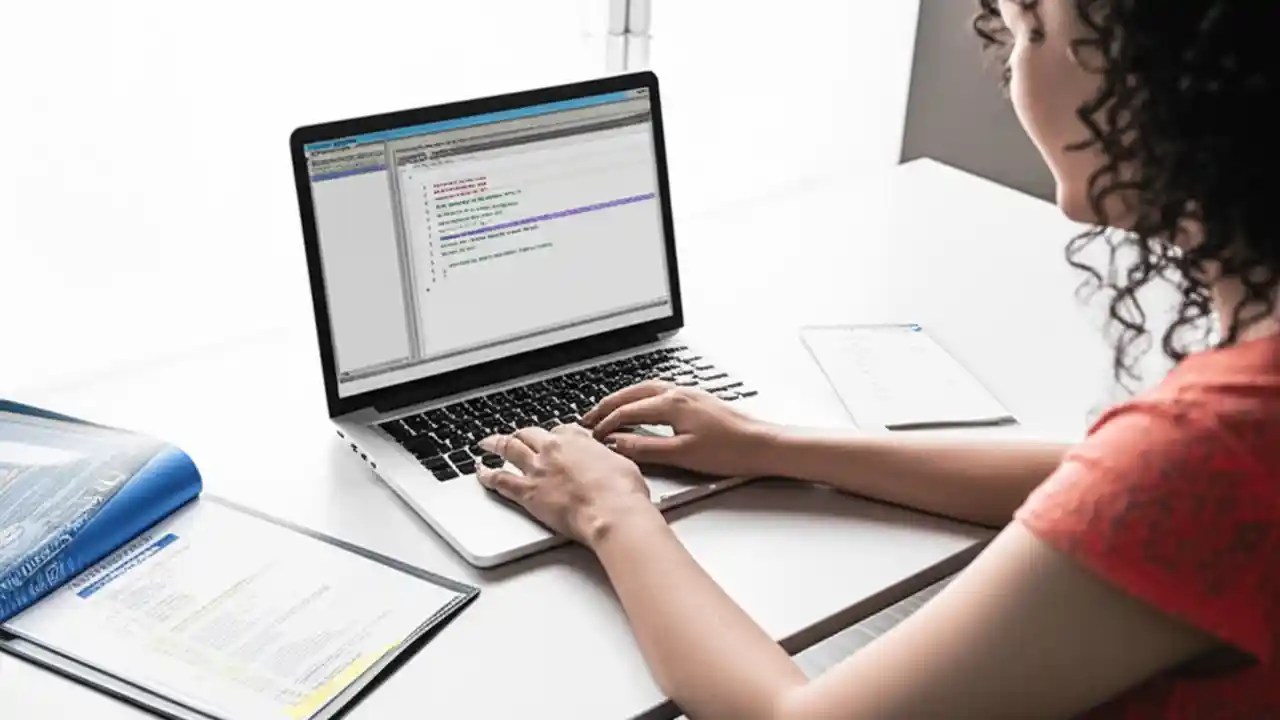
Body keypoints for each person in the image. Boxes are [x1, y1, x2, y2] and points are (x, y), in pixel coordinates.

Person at [477, 0, 1280, 716]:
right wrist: (774, 446)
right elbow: (1101, 480)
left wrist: (610, 512)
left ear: (1169, 78)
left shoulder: (1214, 451)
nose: (1013, 69)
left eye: (1034, 27)